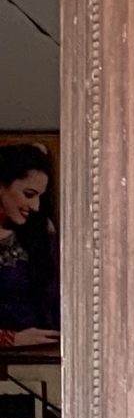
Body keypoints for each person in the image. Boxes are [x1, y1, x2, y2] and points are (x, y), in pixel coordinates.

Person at [0, 143, 58, 346]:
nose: (36, 206)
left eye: (40, 197)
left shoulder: (41, 232)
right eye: (29, 194)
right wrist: (11, 340)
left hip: (41, 359)